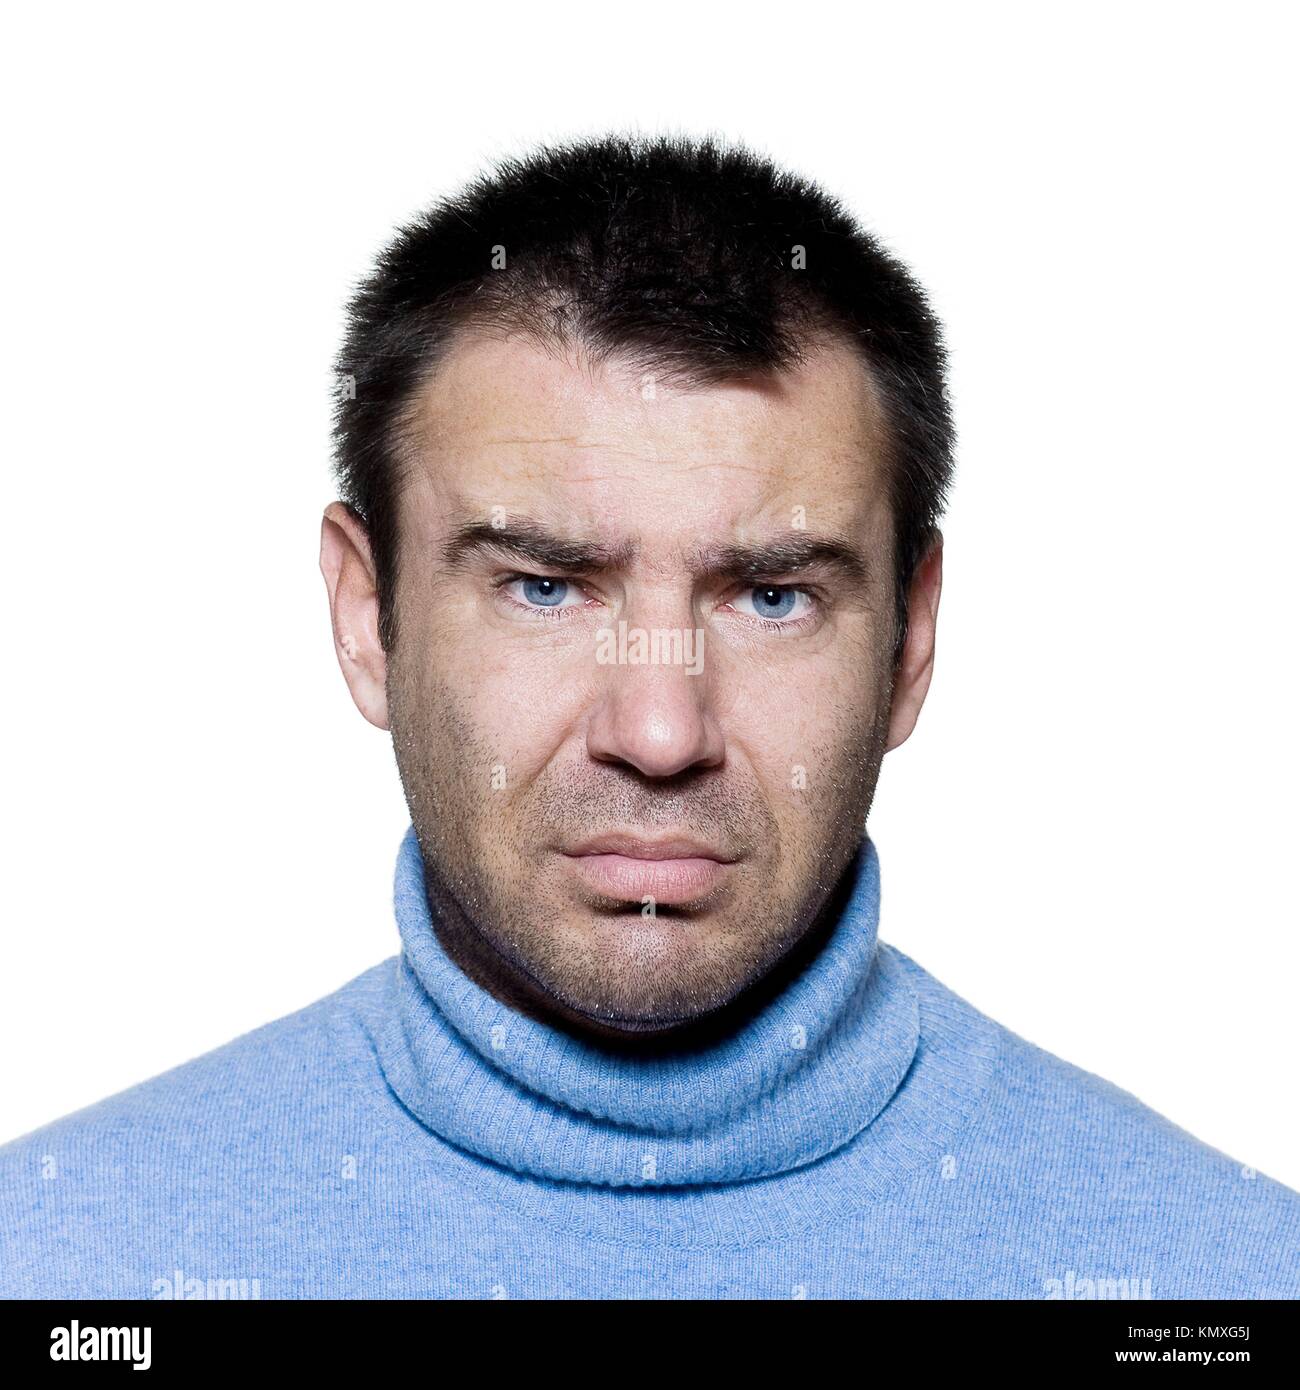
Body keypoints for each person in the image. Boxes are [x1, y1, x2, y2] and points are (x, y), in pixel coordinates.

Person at [2, 136, 1295, 1300]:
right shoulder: (52, 1262)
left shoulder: (1230, 1279)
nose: (662, 729)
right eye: (545, 585)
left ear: (912, 638)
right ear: (366, 616)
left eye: (774, 595)